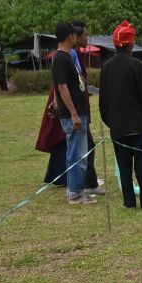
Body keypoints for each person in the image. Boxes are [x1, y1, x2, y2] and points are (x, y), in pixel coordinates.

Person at [99, 20, 142, 209]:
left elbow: (103, 101)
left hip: (118, 126)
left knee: (124, 167)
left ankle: (129, 202)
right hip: (138, 126)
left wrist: (111, 122)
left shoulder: (106, 68)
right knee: (141, 166)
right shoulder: (137, 65)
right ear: (130, 43)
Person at [51, 21, 94, 205]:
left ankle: (76, 190)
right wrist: (74, 113)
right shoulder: (61, 58)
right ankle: (75, 194)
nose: (77, 37)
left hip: (77, 111)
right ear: (70, 36)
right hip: (72, 115)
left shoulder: (66, 56)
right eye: (75, 35)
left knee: (79, 153)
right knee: (77, 154)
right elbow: (62, 87)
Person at [71, 22, 105, 196]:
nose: (87, 38)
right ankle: (87, 184)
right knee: (87, 146)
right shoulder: (73, 55)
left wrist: (86, 90)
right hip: (77, 110)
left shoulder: (77, 54)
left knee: (85, 146)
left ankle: (87, 182)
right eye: (85, 35)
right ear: (76, 38)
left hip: (82, 106)